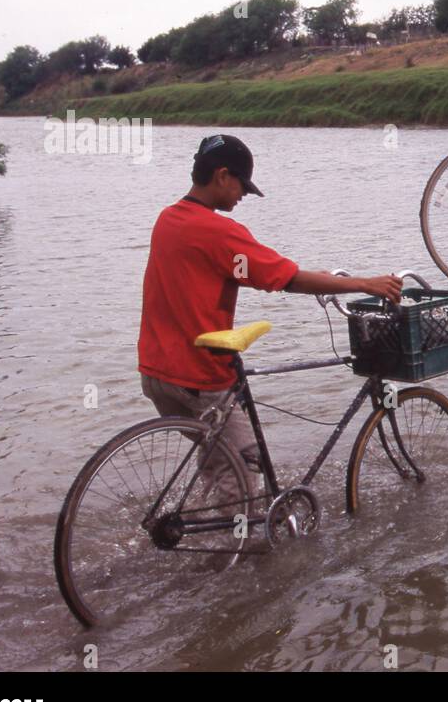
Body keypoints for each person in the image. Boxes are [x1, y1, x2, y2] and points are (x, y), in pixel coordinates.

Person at [137, 134, 402, 465]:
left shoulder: (169, 219)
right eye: (243, 187)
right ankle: (242, 515)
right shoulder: (219, 230)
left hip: (158, 373)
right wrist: (366, 284)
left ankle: (202, 512)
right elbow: (287, 280)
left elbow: (226, 270)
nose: (243, 196)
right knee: (247, 467)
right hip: (198, 375)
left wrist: (317, 278)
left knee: (220, 460)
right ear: (222, 176)